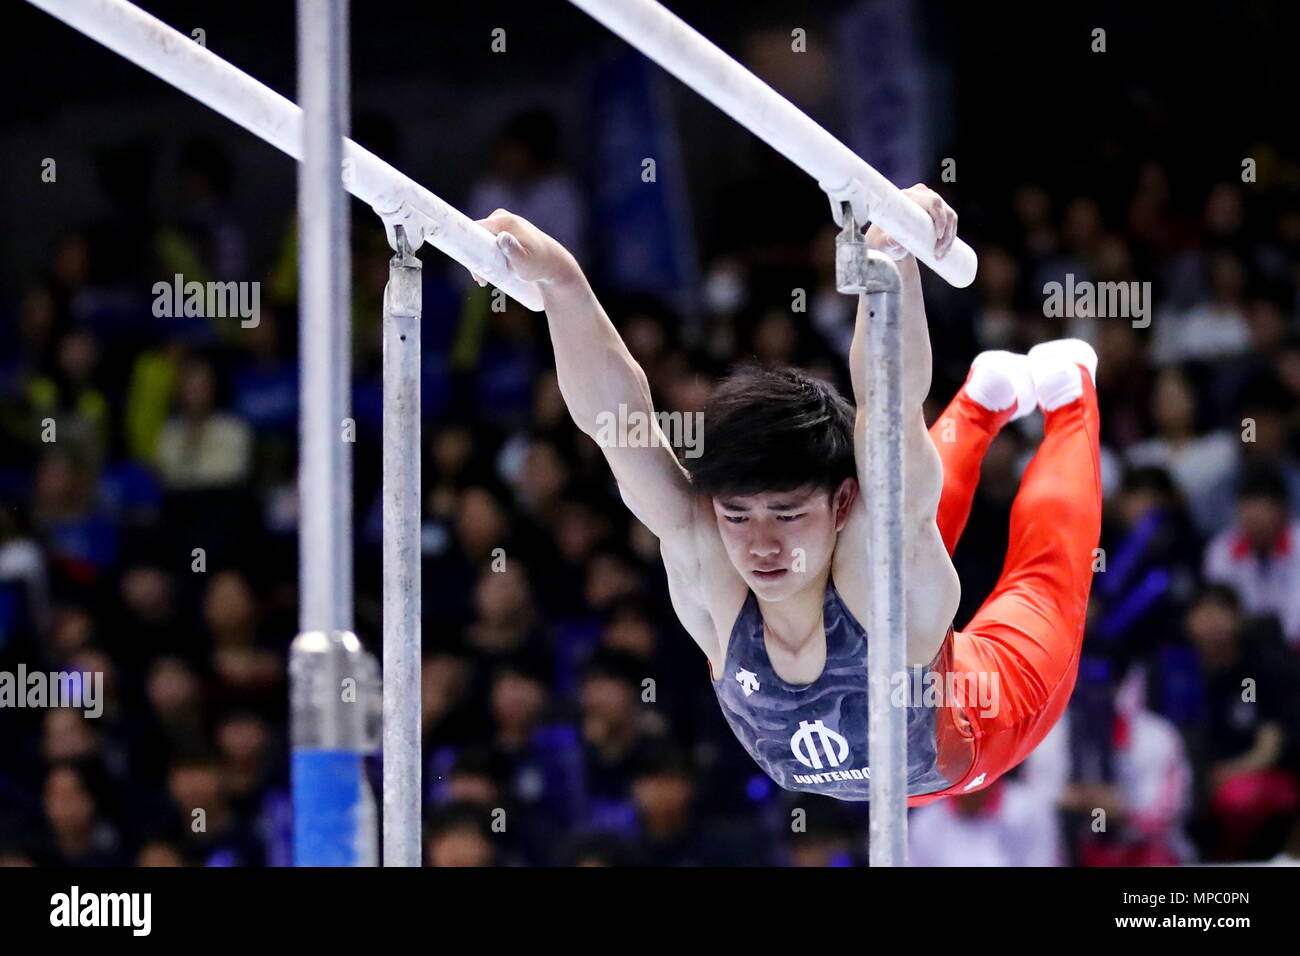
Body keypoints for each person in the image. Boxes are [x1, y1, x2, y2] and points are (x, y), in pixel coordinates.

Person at [470, 183, 1102, 805]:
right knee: (905, 511)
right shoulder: (710, 560)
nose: (760, 544)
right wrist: (561, 282)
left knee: (1037, 573)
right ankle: (987, 397)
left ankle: (1069, 393)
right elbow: (615, 427)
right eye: (737, 514)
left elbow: (890, 404)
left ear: (840, 501)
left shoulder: (866, 555)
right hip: (884, 608)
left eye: (788, 514)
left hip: (984, 728)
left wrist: (893, 263)